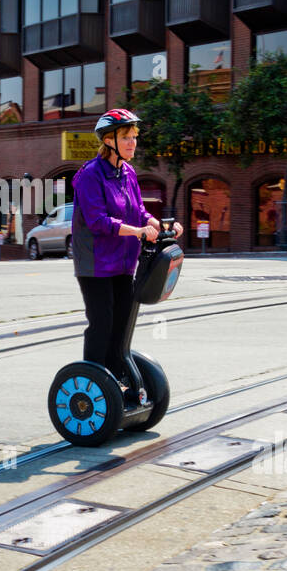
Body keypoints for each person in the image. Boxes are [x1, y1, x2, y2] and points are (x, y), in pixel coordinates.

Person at [71, 109, 183, 394]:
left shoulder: (128, 173)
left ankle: (117, 379)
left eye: (134, 137)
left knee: (122, 322)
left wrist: (161, 225)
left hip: (123, 263)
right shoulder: (90, 175)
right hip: (95, 264)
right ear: (109, 140)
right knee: (102, 323)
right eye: (126, 137)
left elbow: (140, 211)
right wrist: (136, 232)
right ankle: (92, 387)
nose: (133, 143)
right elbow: (97, 222)